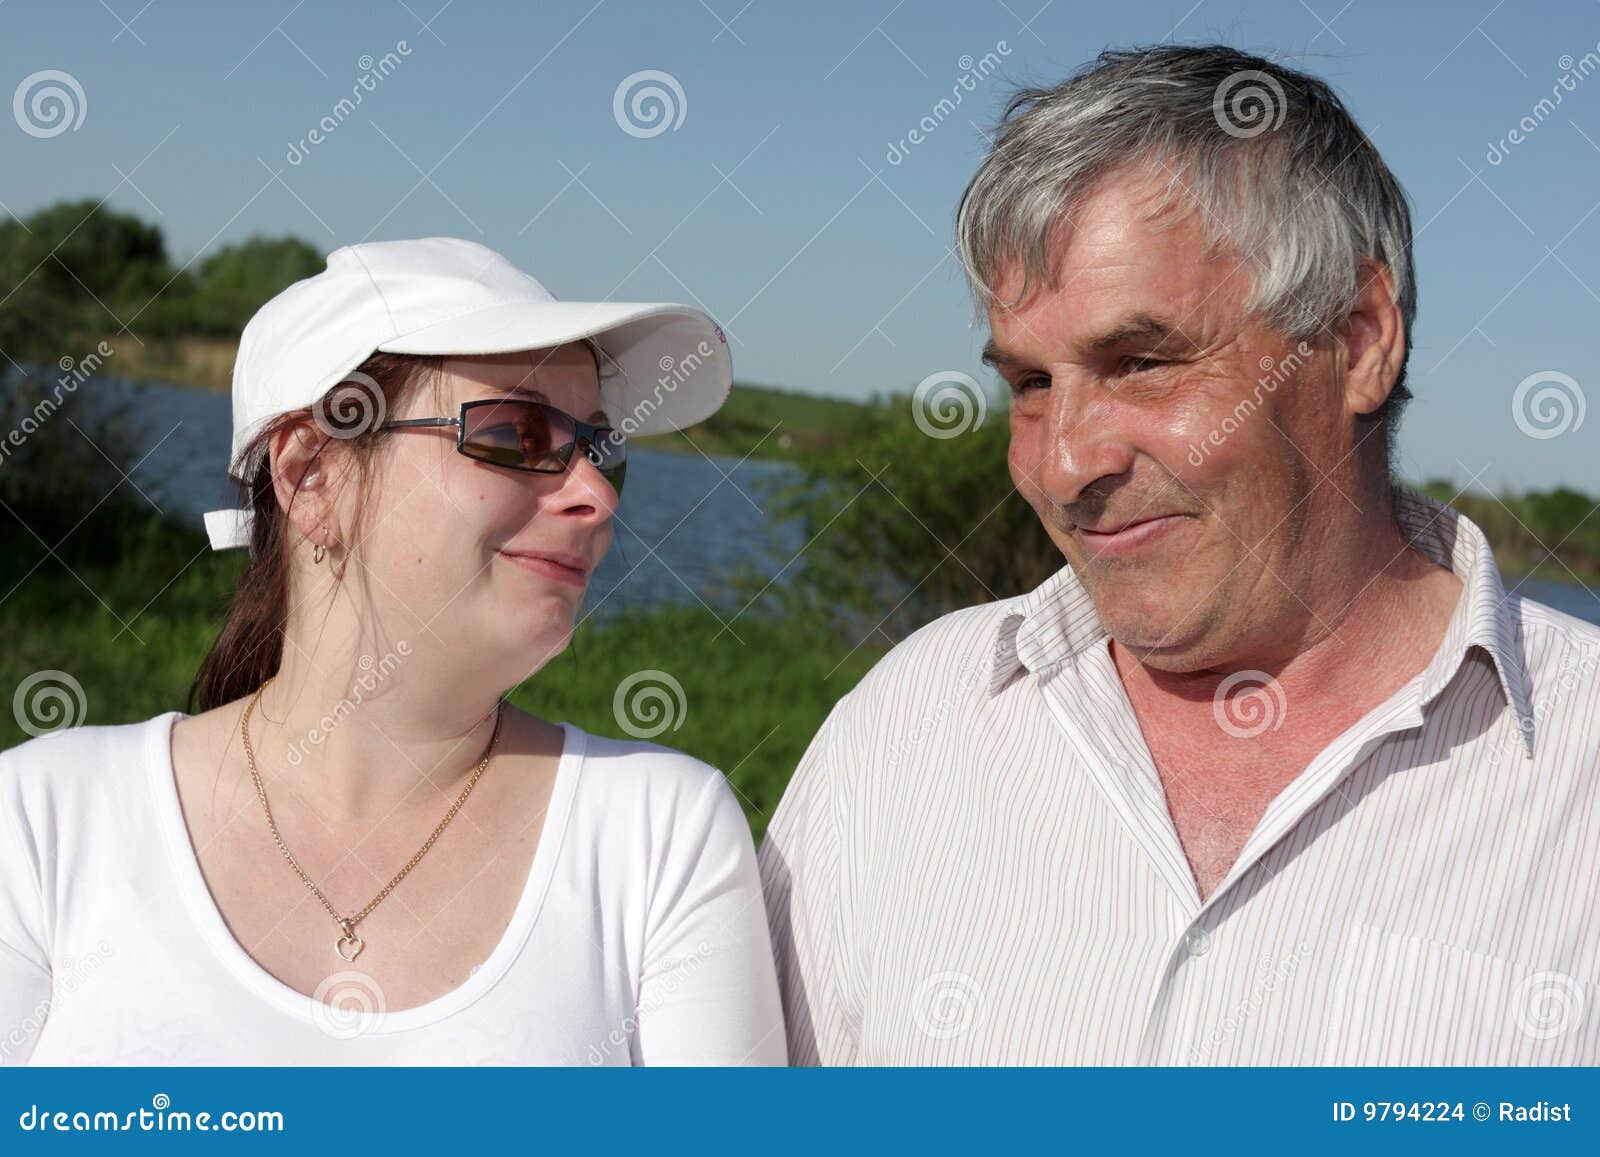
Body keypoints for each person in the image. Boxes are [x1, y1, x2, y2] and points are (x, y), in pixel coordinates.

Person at [759, 45, 1600, 1065]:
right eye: (1028, 381)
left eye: (1142, 362)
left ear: (1359, 338)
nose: (1063, 463)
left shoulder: (1575, 773)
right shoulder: (902, 731)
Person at [0, 237, 785, 1065]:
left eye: (600, 449)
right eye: (518, 432)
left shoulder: (662, 836)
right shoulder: (42, 823)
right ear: (312, 477)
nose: (593, 492)